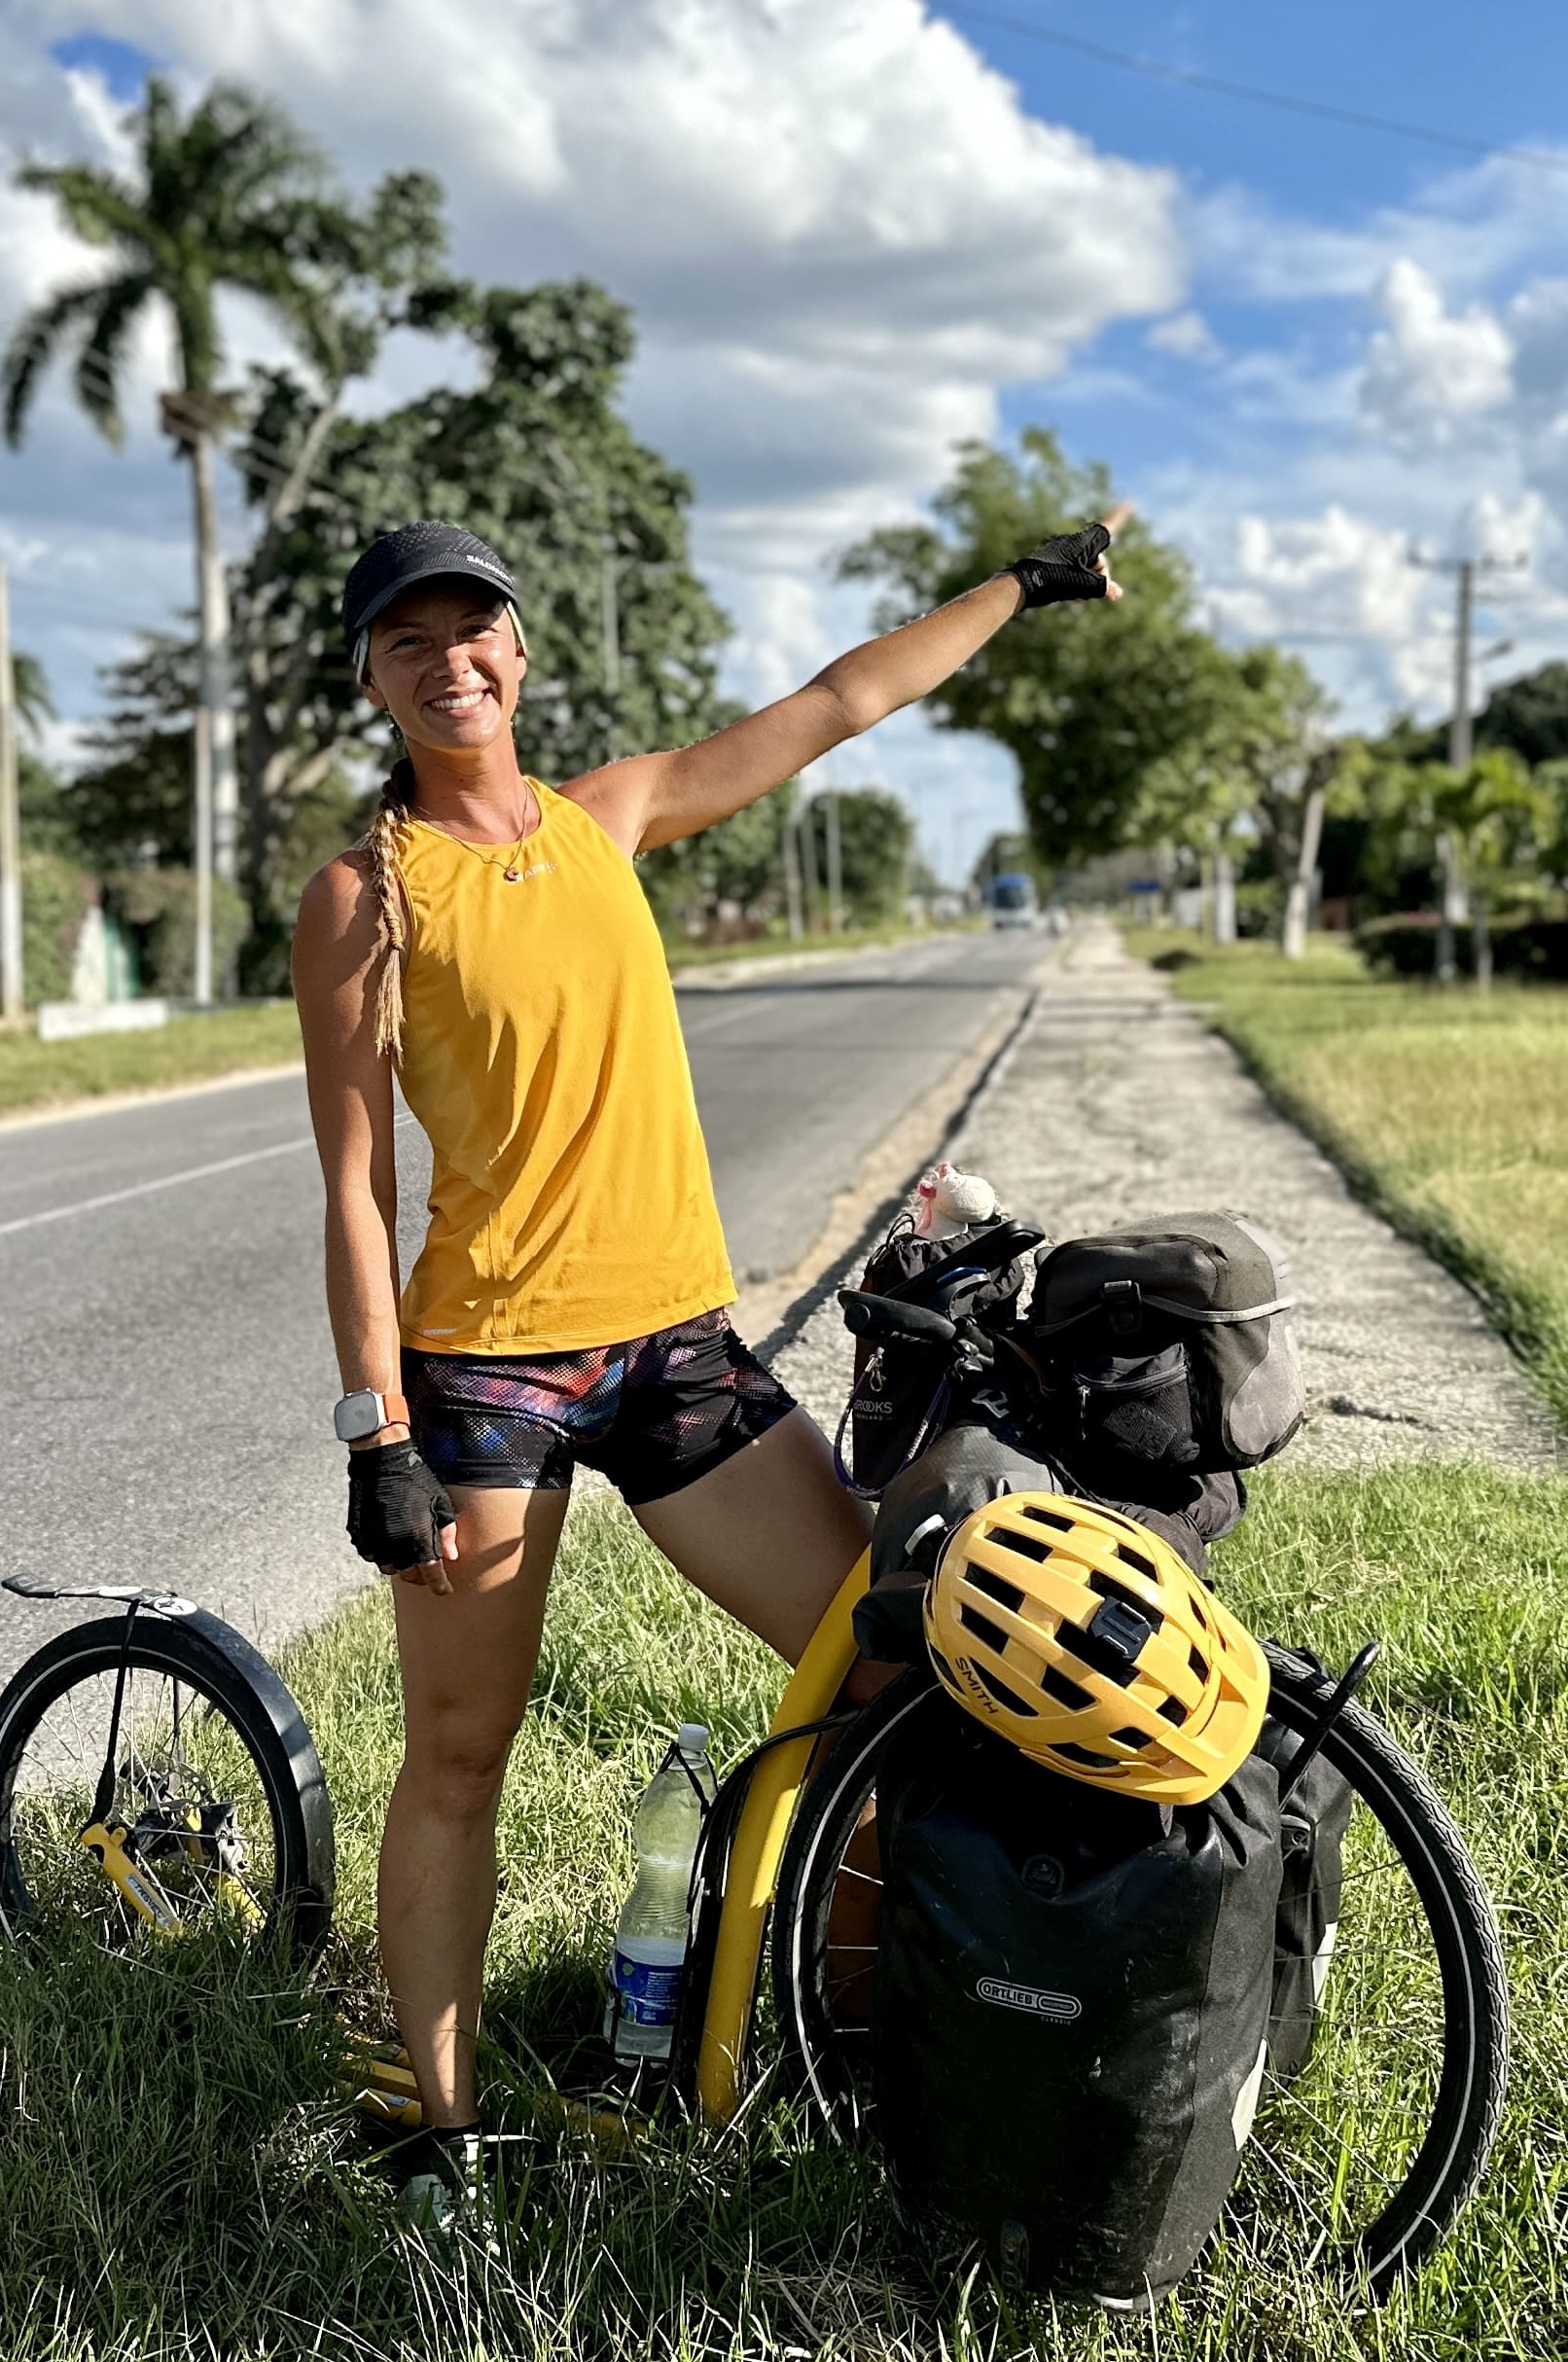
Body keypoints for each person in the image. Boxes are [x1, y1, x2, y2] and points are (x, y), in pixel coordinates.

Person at [293, 509, 1124, 2229]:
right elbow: (357, 1180)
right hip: (486, 1375)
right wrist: (375, 1421)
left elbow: (837, 701)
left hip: (674, 1346)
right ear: (372, 679)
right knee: (461, 1747)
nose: (448, 661)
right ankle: (430, 2123)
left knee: (890, 1669)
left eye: (474, 630)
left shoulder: (616, 816)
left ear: (517, 652)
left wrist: (1020, 589)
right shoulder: (364, 894)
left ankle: (834, 2017)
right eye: (406, 642)